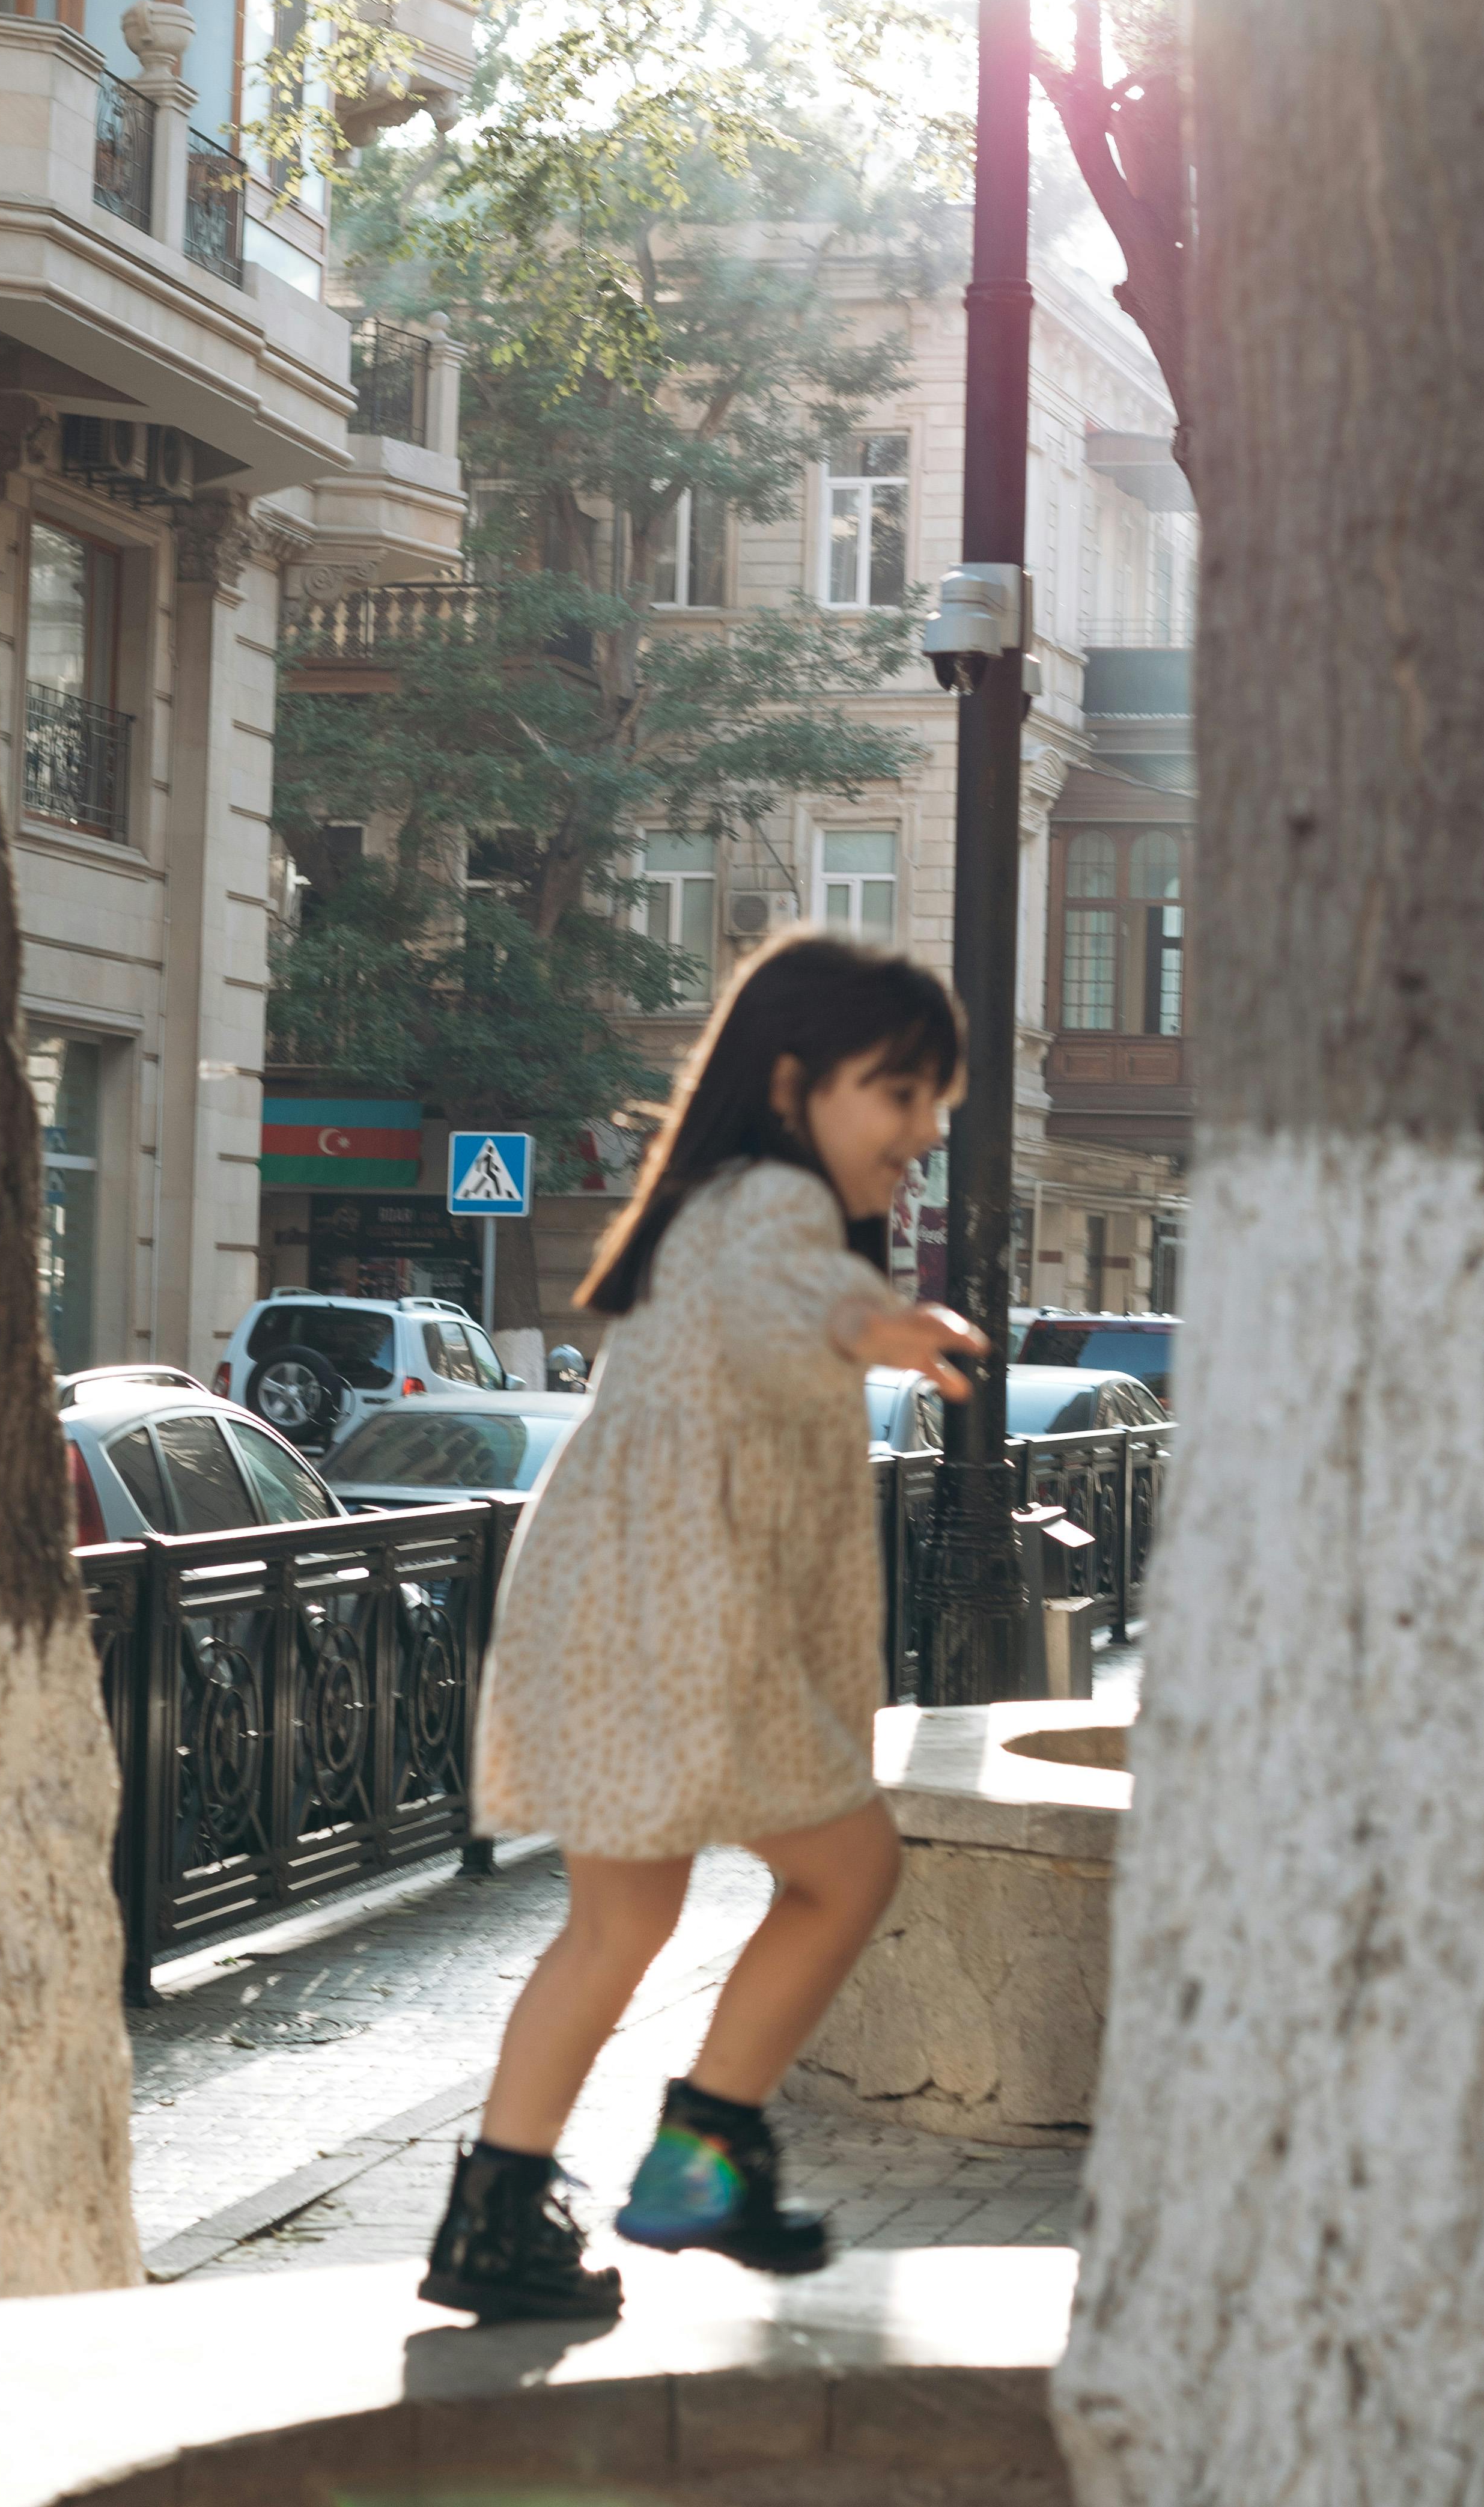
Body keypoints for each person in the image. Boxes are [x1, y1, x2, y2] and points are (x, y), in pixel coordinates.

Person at [422, 931, 987, 2322]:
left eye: (933, 1104)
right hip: (680, 1619)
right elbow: (782, 1291)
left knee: (618, 1924)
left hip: (604, 1607)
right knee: (848, 1871)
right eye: (897, 1093)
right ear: (794, 1084)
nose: (920, 1132)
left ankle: (494, 2214)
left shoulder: (714, 1202)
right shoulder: (772, 1209)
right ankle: (704, 2157)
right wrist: (882, 1325)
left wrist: (864, 1322)